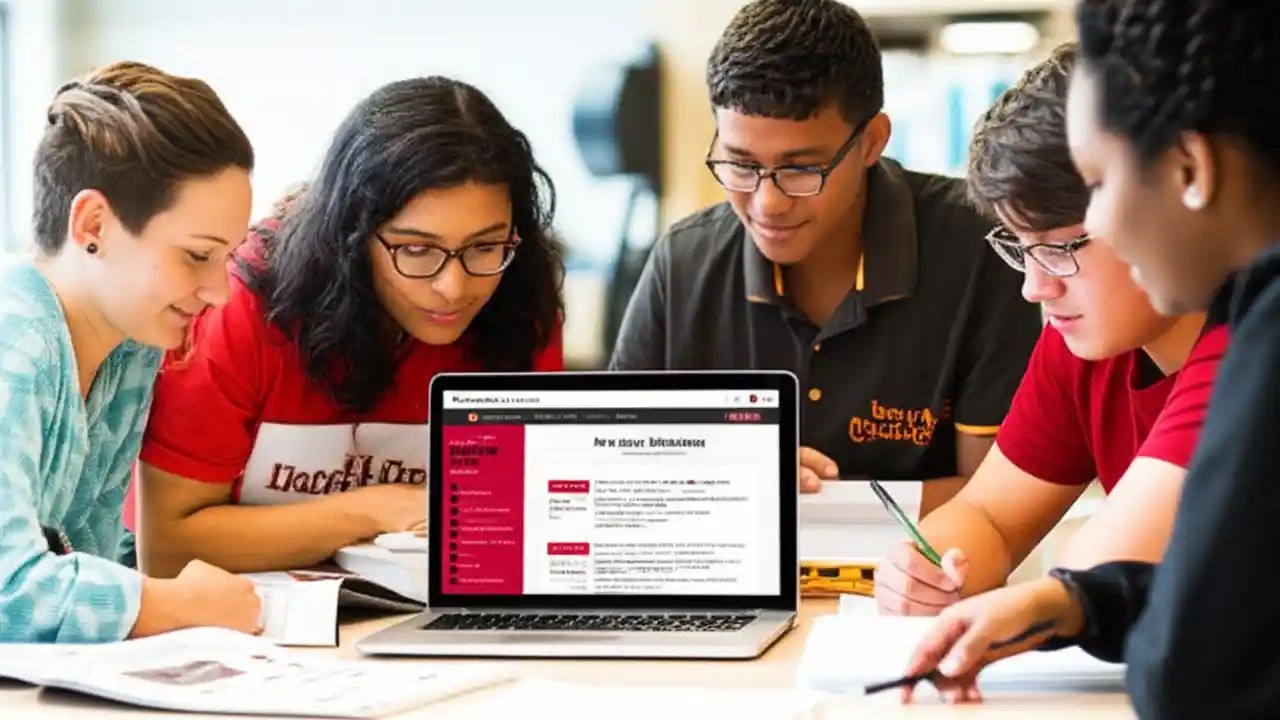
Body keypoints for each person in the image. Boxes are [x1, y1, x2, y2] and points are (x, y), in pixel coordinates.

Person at [899, 2, 1280, 716]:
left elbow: (1181, 643)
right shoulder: (1103, 332)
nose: (1033, 284)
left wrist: (1065, 595)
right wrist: (1061, 603)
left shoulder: (1253, 333)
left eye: (1100, 188)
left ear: (1190, 167)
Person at [608, 0, 1041, 513]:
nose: (768, 204)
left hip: (921, 580)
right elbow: (616, 473)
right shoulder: (682, 263)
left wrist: (807, 504)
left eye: (802, 169)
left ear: (872, 141)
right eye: (740, 165)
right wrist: (735, 478)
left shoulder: (979, 250)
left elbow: (999, 495)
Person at [133, 76, 565, 577]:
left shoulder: (518, 303)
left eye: (485, 247)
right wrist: (373, 509)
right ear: (352, 239)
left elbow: (515, 523)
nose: (454, 286)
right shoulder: (243, 304)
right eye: (416, 250)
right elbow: (166, 548)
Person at [873, 43, 1226, 616]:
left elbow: (1098, 572)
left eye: (1060, 249)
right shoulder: (1082, 343)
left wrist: (1038, 597)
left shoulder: (1249, 335)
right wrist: (931, 571)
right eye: (1021, 249)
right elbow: (990, 514)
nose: (1035, 288)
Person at [0, 60, 261, 642]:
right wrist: (179, 604)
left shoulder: (132, 350)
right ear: (93, 223)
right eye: (197, 255)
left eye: (228, 259)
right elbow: (7, 591)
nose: (219, 292)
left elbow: (86, 553)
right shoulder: (12, 339)